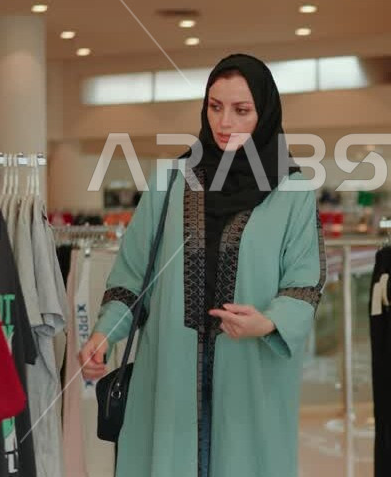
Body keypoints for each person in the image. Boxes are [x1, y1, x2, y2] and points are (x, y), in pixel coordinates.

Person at [79, 54, 326, 477]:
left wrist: (266, 322)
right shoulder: (170, 182)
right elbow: (131, 276)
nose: (224, 121)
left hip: (251, 375)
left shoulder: (293, 190)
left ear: (264, 113)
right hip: (169, 375)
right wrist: (105, 333)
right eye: (215, 106)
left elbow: (304, 281)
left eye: (241, 110)